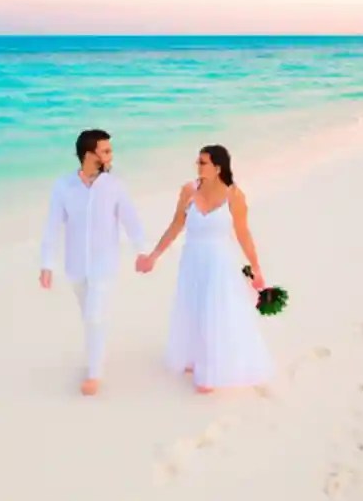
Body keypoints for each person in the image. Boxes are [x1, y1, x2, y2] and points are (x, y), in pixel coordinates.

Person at [137, 145, 273, 394]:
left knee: (215, 311)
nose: (197, 166)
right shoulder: (189, 191)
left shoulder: (234, 195)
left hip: (219, 263)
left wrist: (256, 268)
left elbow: (243, 234)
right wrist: (153, 256)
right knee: (193, 307)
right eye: (197, 162)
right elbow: (176, 226)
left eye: (203, 162)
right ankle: (192, 357)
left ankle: (210, 373)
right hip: (192, 261)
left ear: (218, 167)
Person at [40, 129, 148, 396]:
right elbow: (52, 226)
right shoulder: (63, 186)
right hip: (75, 266)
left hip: (105, 265)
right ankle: (95, 355)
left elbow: (131, 220)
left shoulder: (115, 186)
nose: (111, 156)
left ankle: (94, 373)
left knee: (94, 315)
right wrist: (47, 264)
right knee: (89, 316)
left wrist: (142, 251)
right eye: (106, 151)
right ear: (89, 155)